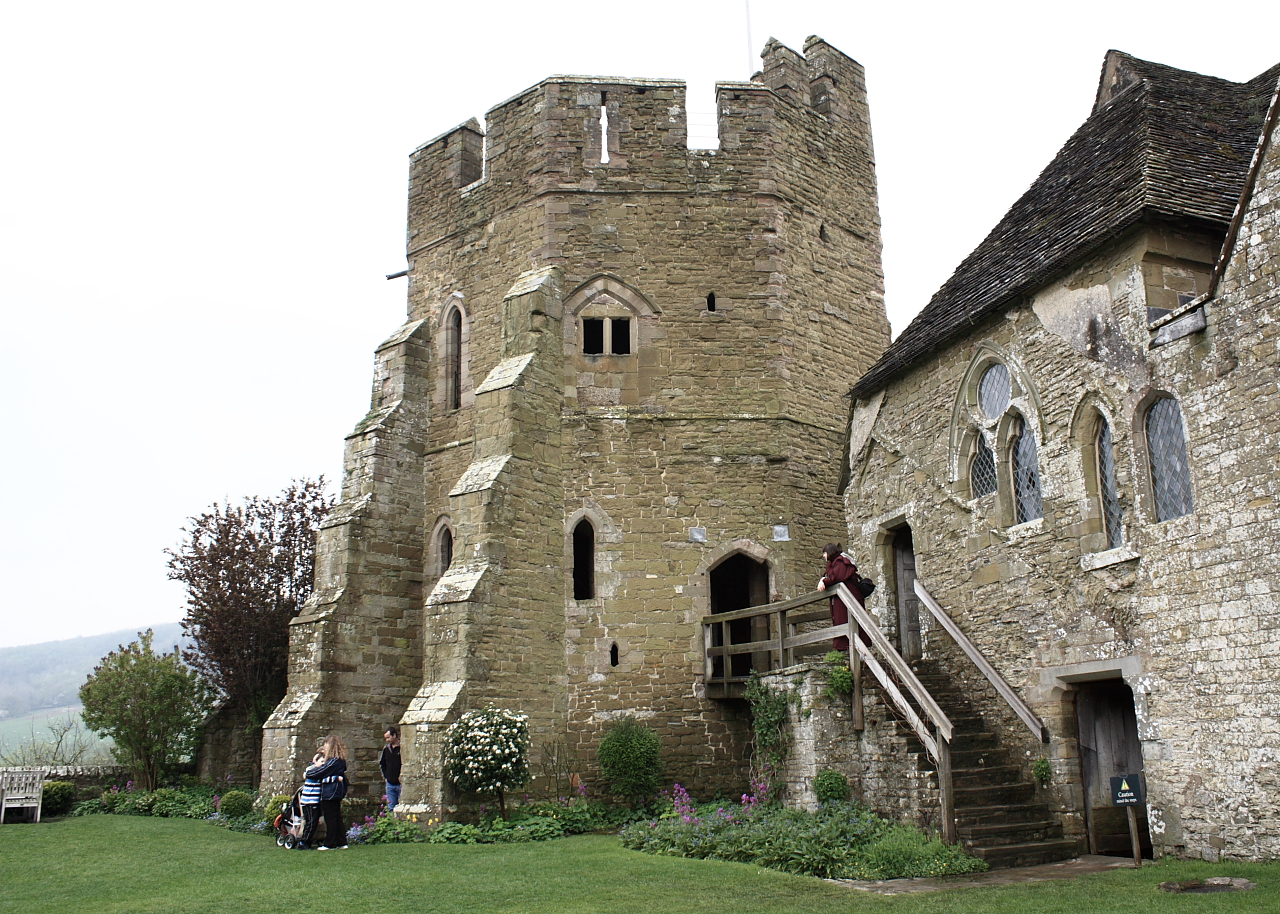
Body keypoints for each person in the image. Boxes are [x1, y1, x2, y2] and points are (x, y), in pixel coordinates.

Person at [817, 543, 864, 651]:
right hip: (842, 599)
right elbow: (828, 575)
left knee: (852, 623)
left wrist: (824, 581)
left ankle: (859, 654)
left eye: (824, 553)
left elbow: (837, 577)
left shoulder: (841, 561)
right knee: (841, 621)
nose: (824, 556)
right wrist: (822, 579)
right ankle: (847, 651)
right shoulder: (833, 563)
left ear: (829, 552)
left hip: (850, 598)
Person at [305, 734, 349, 850]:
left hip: (331, 792)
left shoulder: (334, 761)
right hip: (334, 791)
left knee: (331, 818)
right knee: (336, 817)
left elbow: (322, 771)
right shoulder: (337, 760)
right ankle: (341, 842)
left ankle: (330, 843)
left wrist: (308, 773)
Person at [379, 726, 402, 809]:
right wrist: (386, 777)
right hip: (390, 784)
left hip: (401, 784)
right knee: (391, 807)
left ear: (394, 735)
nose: (387, 740)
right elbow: (382, 764)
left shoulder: (402, 748)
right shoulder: (386, 749)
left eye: (388, 737)